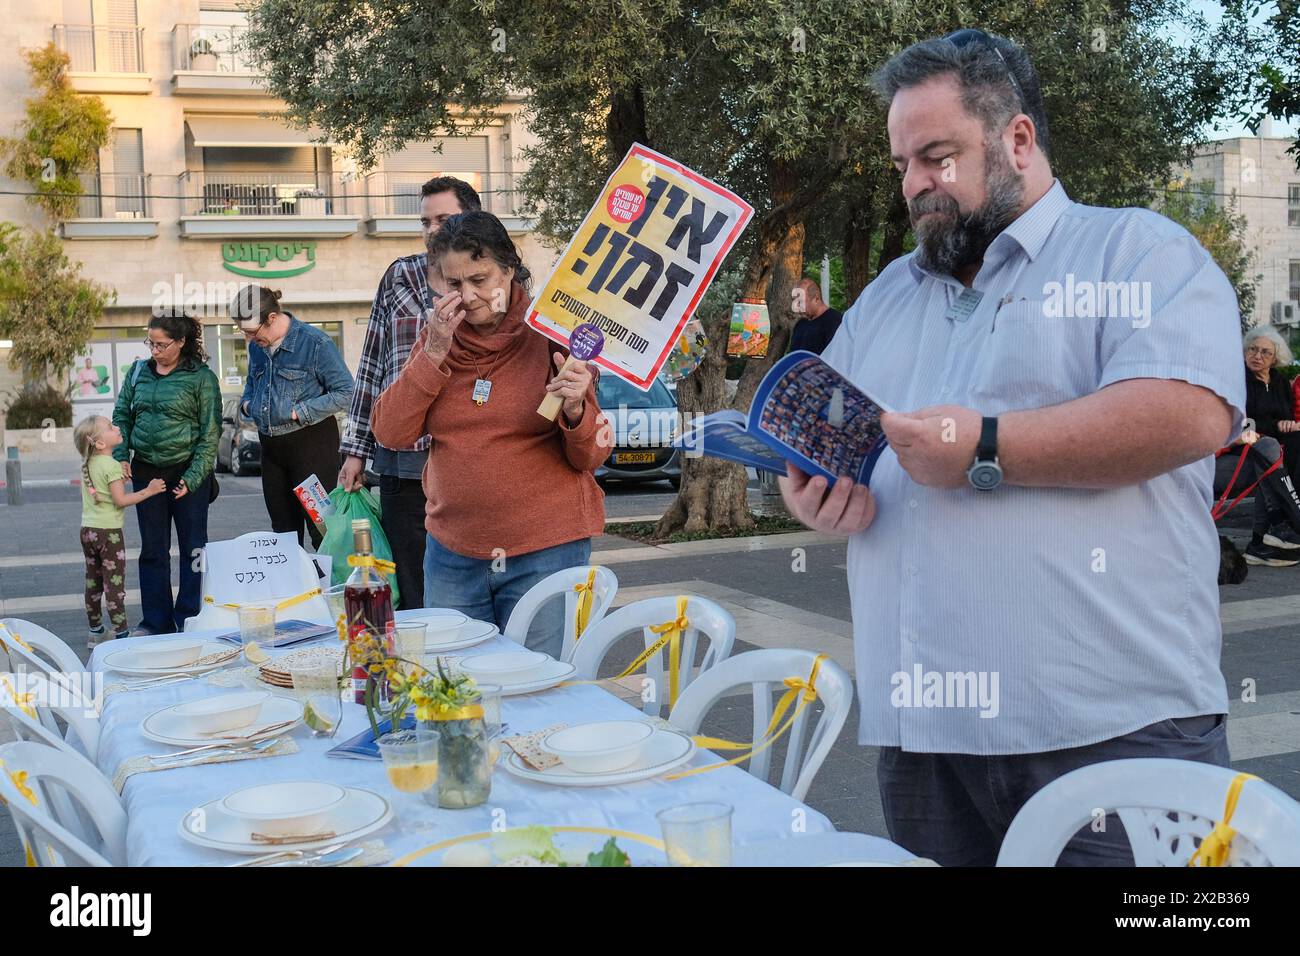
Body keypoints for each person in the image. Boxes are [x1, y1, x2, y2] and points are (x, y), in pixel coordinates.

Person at [780, 29, 1244, 866]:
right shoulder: (888, 293)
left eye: (937, 156)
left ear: (1017, 139)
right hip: (925, 746)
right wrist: (812, 493)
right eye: (903, 165)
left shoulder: (1137, 250)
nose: (916, 184)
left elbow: (1188, 413)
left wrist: (985, 446)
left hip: (1110, 738)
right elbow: (828, 434)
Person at [372, 211, 606, 655]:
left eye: (480, 279)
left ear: (510, 269)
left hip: (546, 550)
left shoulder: (555, 334)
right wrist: (435, 351)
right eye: (453, 284)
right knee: (458, 685)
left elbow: (589, 458)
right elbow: (391, 431)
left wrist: (575, 409)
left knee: (540, 684)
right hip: (453, 552)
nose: (469, 296)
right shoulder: (438, 336)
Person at [339, 177, 482, 609]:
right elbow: (372, 362)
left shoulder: (487, 284)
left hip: (461, 456)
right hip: (401, 457)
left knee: (462, 579)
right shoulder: (399, 276)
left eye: (444, 219)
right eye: (426, 221)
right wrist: (355, 449)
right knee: (411, 585)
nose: (433, 229)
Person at [112, 309, 221, 635]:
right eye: (151, 343)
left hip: (188, 474)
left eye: (161, 344)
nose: (155, 351)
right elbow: (122, 416)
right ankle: (156, 622)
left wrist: (193, 477)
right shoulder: (137, 373)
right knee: (153, 550)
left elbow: (210, 433)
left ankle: (189, 617)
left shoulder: (201, 378)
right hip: (147, 475)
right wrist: (121, 455)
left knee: (194, 550)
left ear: (182, 342)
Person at [235, 285, 355, 549]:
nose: (249, 339)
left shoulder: (315, 343)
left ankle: (329, 589)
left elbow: (347, 391)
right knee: (283, 535)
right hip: (272, 449)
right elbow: (252, 384)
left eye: (252, 332)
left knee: (321, 530)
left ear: (273, 319)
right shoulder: (257, 348)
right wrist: (247, 404)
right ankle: (296, 591)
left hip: (311, 446)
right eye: (244, 332)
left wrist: (299, 412)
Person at [73, 416, 167, 647]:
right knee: (114, 585)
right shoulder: (112, 466)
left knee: (93, 581)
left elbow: (105, 493)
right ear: (100, 443)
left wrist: (120, 476)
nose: (116, 428)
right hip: (109, 535)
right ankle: (122, 635)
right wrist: (151, 490)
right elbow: (120, 500)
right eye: (110, 427)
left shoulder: (90, 464)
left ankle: (96, 632)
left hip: (88, 531)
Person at [1231, 326, 1300, 564]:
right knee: (1269, 451)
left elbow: (1287, 415)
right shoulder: (1238, 379)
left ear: (1275, 358)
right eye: (1252, 349)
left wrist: (1290, 424)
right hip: (1242, 440)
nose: (1257, 356)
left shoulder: (1280, 382)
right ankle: (1278, 524)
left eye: (1265, 352)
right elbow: (1245, 421)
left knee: (1291, 446)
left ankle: (1259, 543)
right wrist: (1276, 425)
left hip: (1271, 445)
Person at [789, 278, 843, 355]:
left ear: (816, 298)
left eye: (800, 302)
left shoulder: (835, 322)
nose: (798, 307)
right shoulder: (800, 324)